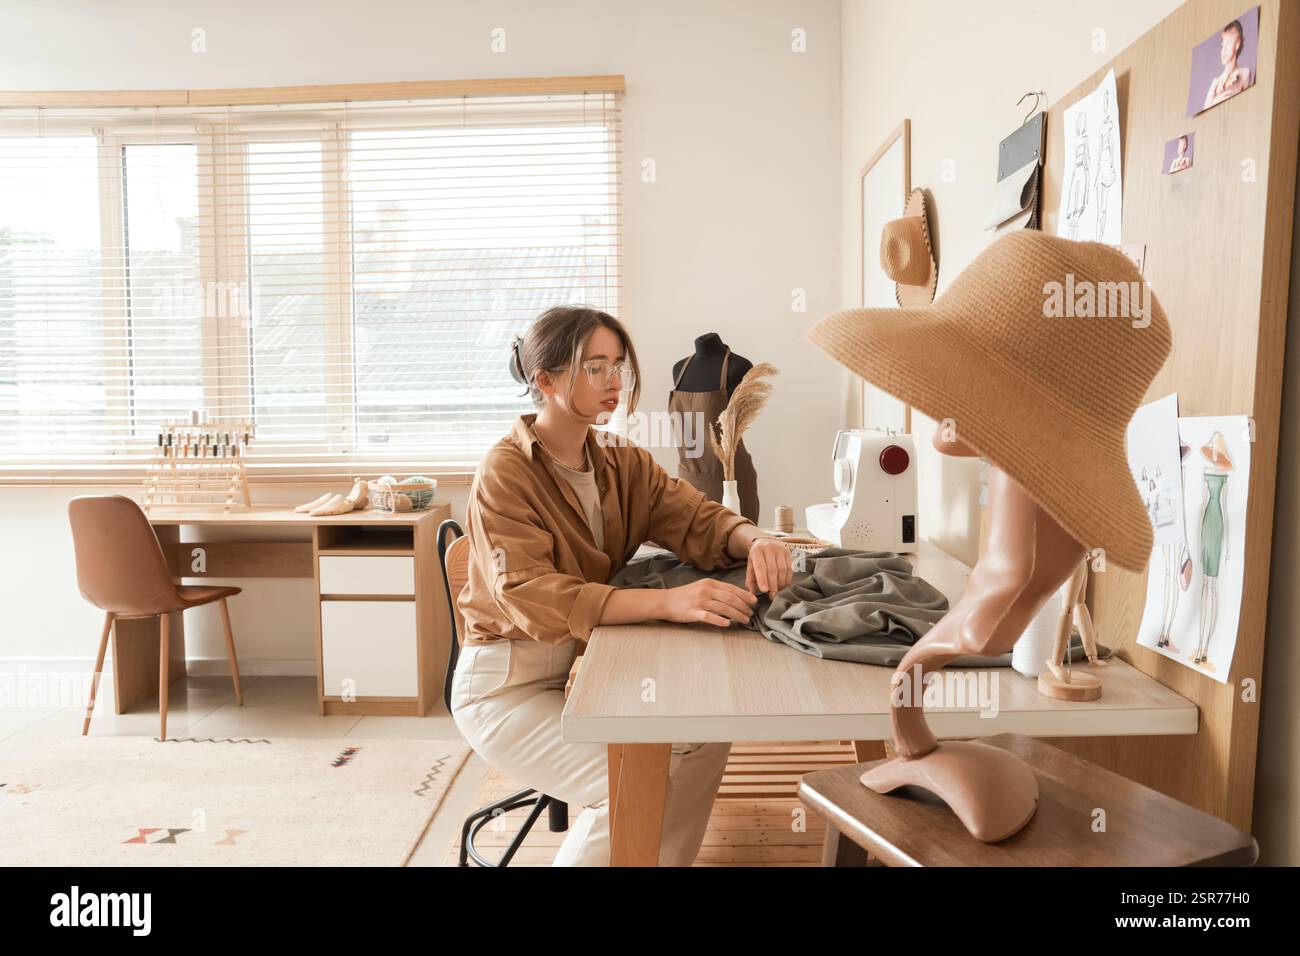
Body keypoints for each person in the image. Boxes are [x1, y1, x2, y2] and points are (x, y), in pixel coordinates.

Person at [451, 305, 794, 866]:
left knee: (705, 737)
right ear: (546, 380)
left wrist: (754, 539)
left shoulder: (620, 460)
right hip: (506, 685)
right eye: (594, 367)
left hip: (587, 666)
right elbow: (532, 592)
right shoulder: (505, 470)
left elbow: (697, 517)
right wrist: (670, 602)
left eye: (618, 366)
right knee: (632, 785)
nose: (614, 382)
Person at [1203, 19, 1252, 111]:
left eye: (1229, 42)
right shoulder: (1215, 83)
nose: (1224, 49)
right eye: (1222, 44)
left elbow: (1246, 106)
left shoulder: (1244, 73)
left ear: (1237, 44)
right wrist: (1215, 101)